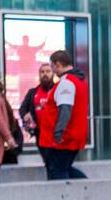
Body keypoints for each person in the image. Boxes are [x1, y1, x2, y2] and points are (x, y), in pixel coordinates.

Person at [38, 50, 89, 180]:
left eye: (53, 67)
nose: (53, 71)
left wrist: (58, 133)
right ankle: (87, 188)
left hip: (63, 138)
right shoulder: (80, 80)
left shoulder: (66, 82)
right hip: (74, 135)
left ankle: (81, 191)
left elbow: (65, 108)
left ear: (59, 64)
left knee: (57, 171)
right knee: (63, 167)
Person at [19, 62, 56, 165]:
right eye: (42, 72)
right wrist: (25, 115)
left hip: (55, 133)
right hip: (40, 133)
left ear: (53, 73)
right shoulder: (32, 92)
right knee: (47, 161)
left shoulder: (57, 90)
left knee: (55, 162)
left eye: (48, 71)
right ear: (39, 74)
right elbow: (22, 109)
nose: (45, 74)